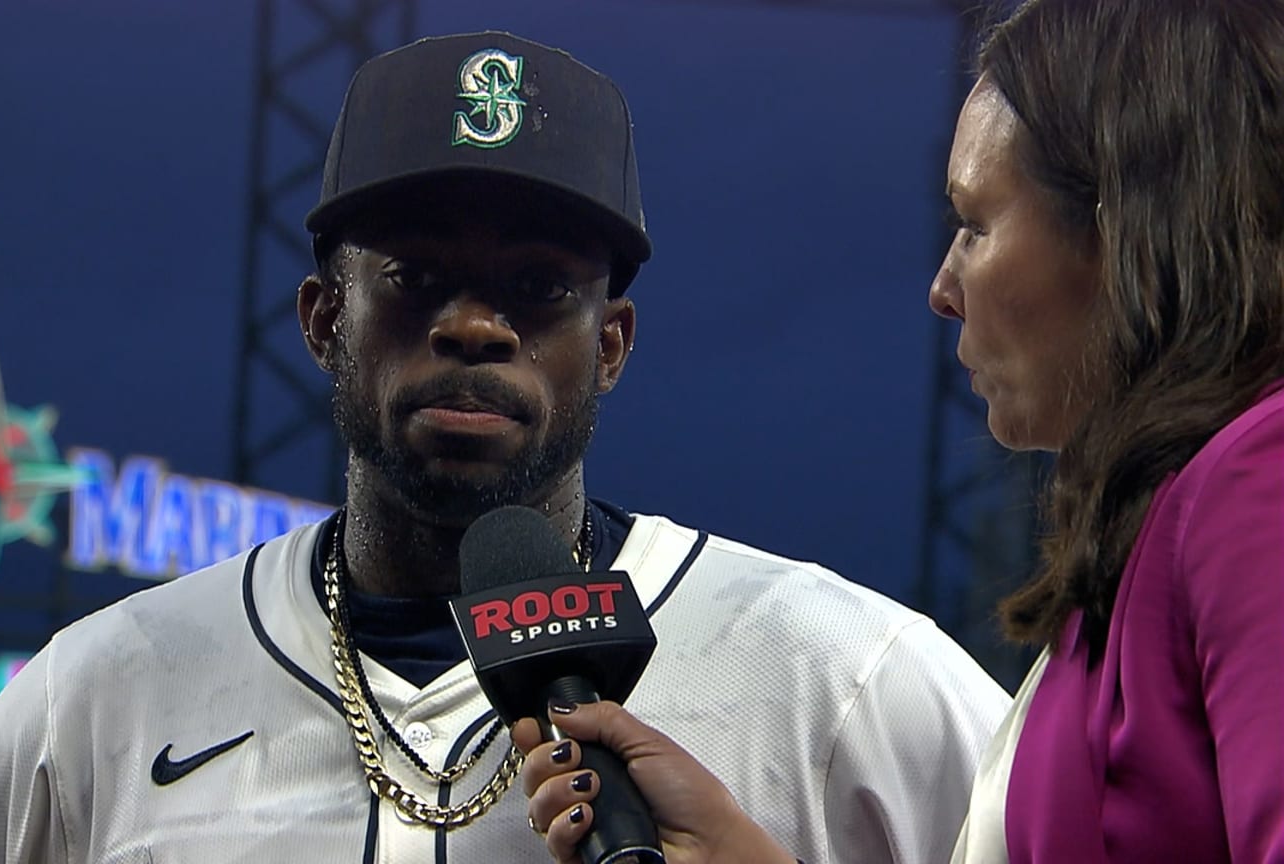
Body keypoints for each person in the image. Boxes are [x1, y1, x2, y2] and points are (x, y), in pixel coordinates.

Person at [0, 31, 1008, 863]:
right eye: (416, 277)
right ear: (324, 320)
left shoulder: (838, 677)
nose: (474, 326)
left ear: (612, 345)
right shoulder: (95, 698)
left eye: (540, 288)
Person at [518, 1, 1284, 862]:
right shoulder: (1160, 529)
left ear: (1126, 226)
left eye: (975, 224)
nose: (943, 288)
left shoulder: (1256, 482)